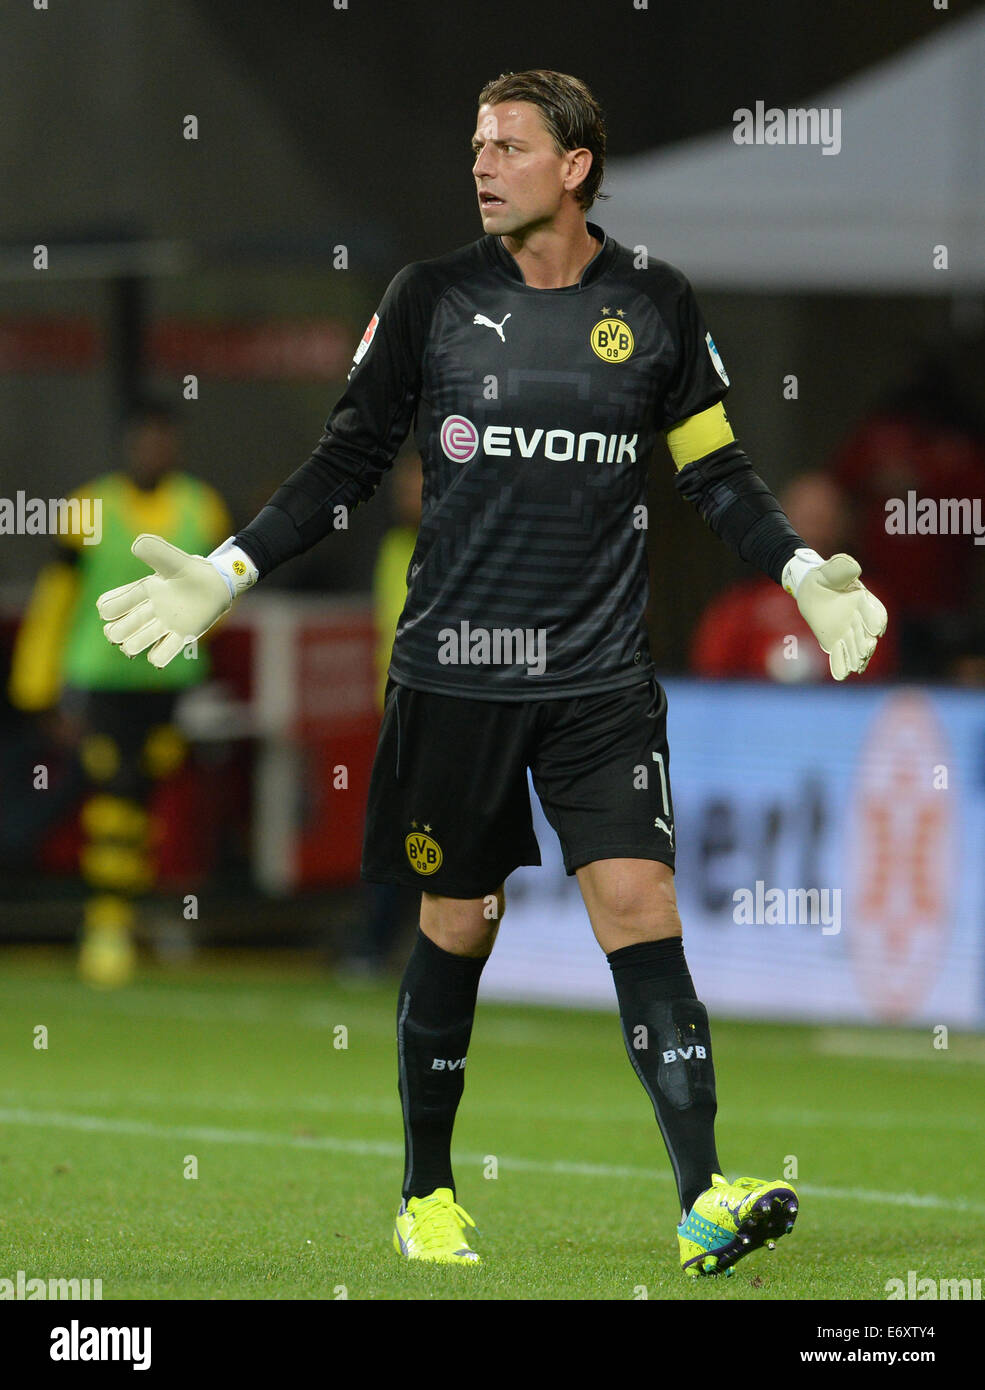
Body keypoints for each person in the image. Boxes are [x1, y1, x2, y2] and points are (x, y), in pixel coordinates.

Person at [93, 70, 887, 1276]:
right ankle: (426, 1191)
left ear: (575, 166)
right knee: (459, 921)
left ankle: (704, 1193)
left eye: (509, 144)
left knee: (640, 903)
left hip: (599, 679)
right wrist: (230, 567)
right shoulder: (429, 298)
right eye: (476, 143)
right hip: (455, 676)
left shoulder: (656, 303)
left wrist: (796, 568)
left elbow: (715, 470)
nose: (481, 163)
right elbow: (347, 459)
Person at [9, 397, 232, 986]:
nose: (153, 449)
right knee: (114, 793)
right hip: (103, 678)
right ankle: (106, 926)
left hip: (170, 681)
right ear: (127, 443)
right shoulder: (89, 507)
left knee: (144, 797)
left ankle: (123, 915)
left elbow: (223, 596)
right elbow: (55, 599)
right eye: (144, 438)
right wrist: (37, 687)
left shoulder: (202, 507)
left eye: (163, 438)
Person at [691, 472, 897, 681]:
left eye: (823, 519)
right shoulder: (744, 602)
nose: (814, 530)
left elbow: (874, 672)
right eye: (806, 518)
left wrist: (820, 666)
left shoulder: (866, 601)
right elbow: (711, 670)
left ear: (843, 527)